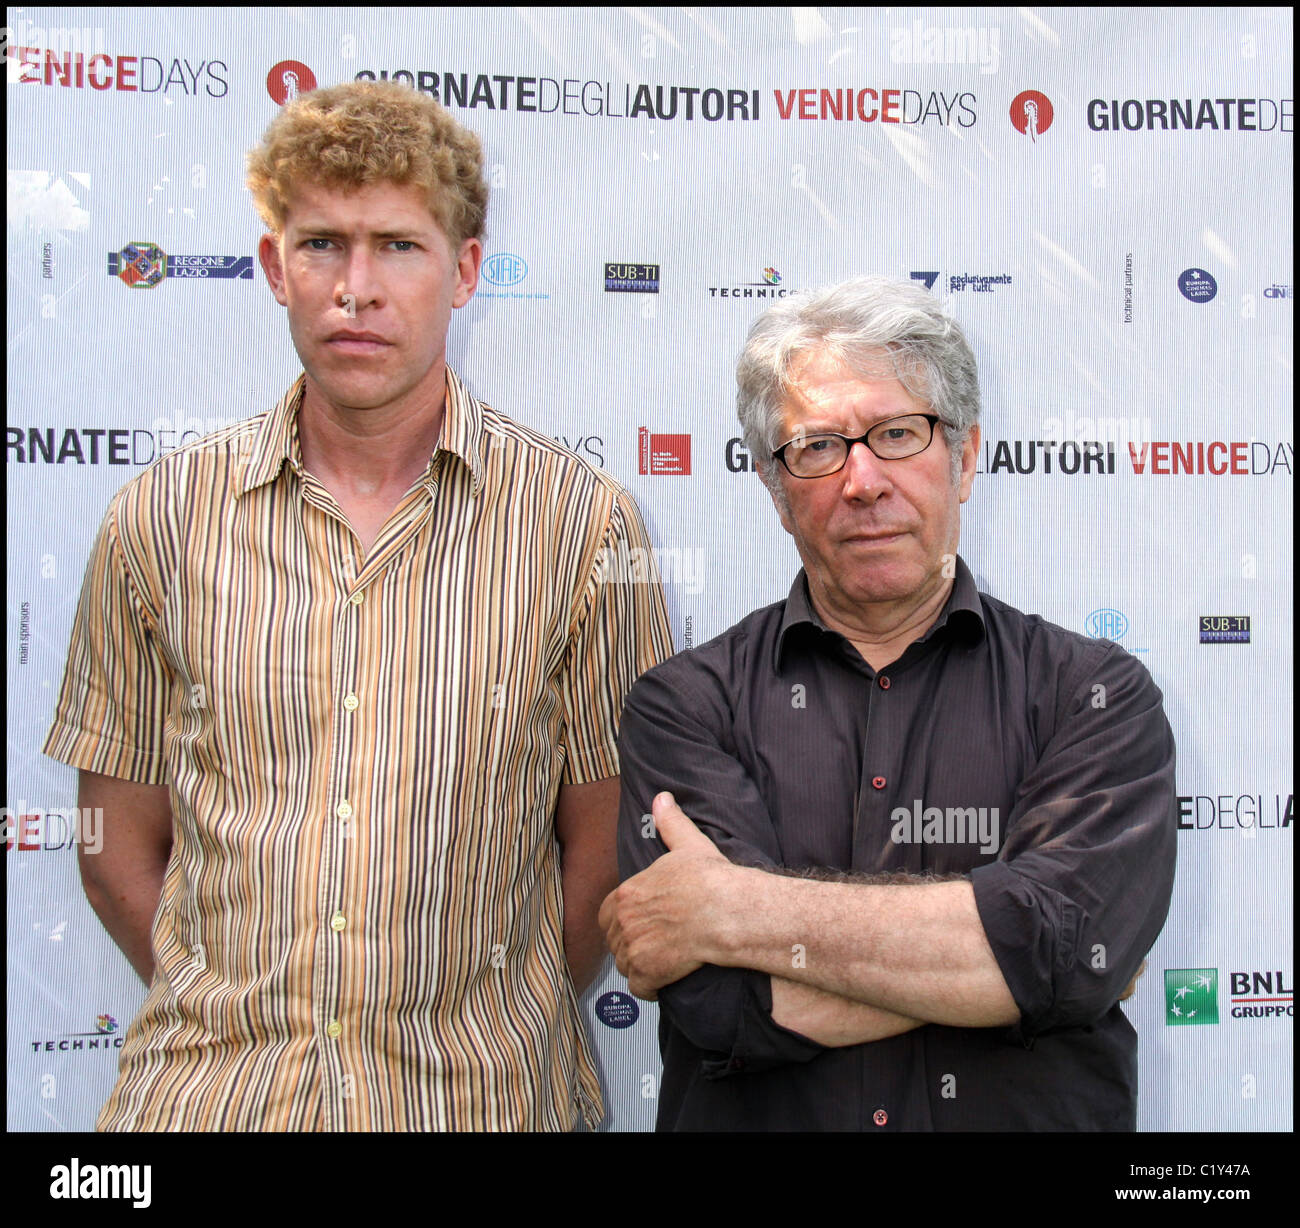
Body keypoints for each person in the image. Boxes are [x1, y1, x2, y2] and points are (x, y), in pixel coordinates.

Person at [44, 81, 671, 1131]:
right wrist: (232, 1015)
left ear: (465, 270)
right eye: (324, 244)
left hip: (482, 1103)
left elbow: (604, 838)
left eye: (398, 246)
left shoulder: (583, 527)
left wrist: (488, 1018)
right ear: (272, 266)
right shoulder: (160, 516)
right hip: (211, 1106)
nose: (356, 288)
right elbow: (114, 839)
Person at [601, 275, 1176, 1131]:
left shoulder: (1092, 697)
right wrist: (1007, 965)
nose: (863, 481)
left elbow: (1068, 950)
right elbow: (721, 1001)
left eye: (899, 433)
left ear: (966, 456)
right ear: (771, 485)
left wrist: (731, 911)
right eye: (818, 447)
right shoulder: (684, 707)